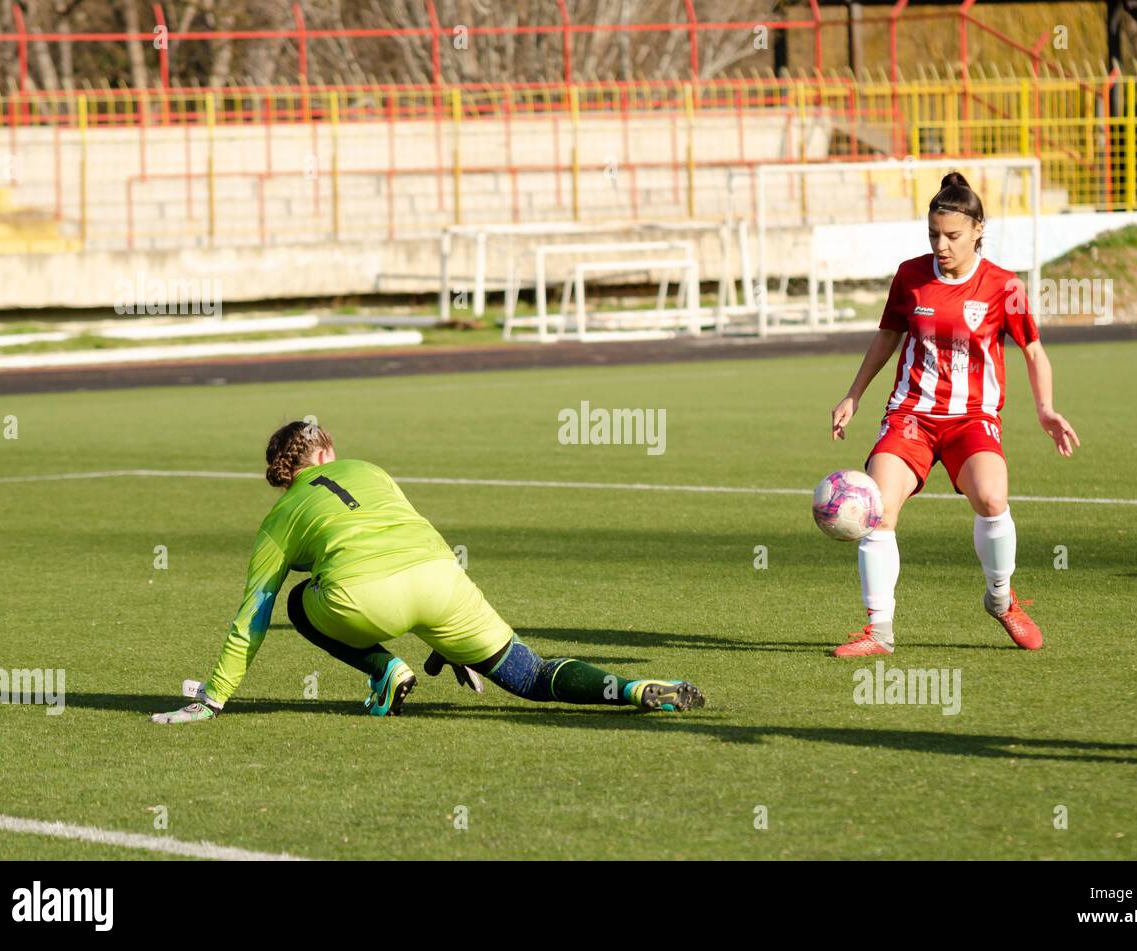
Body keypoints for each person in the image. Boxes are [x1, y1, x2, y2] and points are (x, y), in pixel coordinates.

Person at [151, 420, 704, 723]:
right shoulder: (370, 469)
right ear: (327, 453)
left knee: (298, 603)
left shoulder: (278, 519)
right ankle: (634, 690)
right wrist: (449, 642)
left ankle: (386, 670)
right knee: (533, 676)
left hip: (364, 599)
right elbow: (407, 537)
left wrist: (214, 695)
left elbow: (255, 611)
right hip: (443, 580)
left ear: (285, 472)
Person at [828, 171, 1079, 657]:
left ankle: (1002, 599)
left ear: (979, 229)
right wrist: (853, 394)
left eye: (952, 236)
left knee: (990, 497)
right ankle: (879, 632)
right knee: (878, 510)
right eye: (933, 236)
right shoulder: (910, 275)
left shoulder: (1004, 286)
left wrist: (1045, 409)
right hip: (911, 416)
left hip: (972, 418)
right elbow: (887, 337)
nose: (941, 245)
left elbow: (1033, 351)